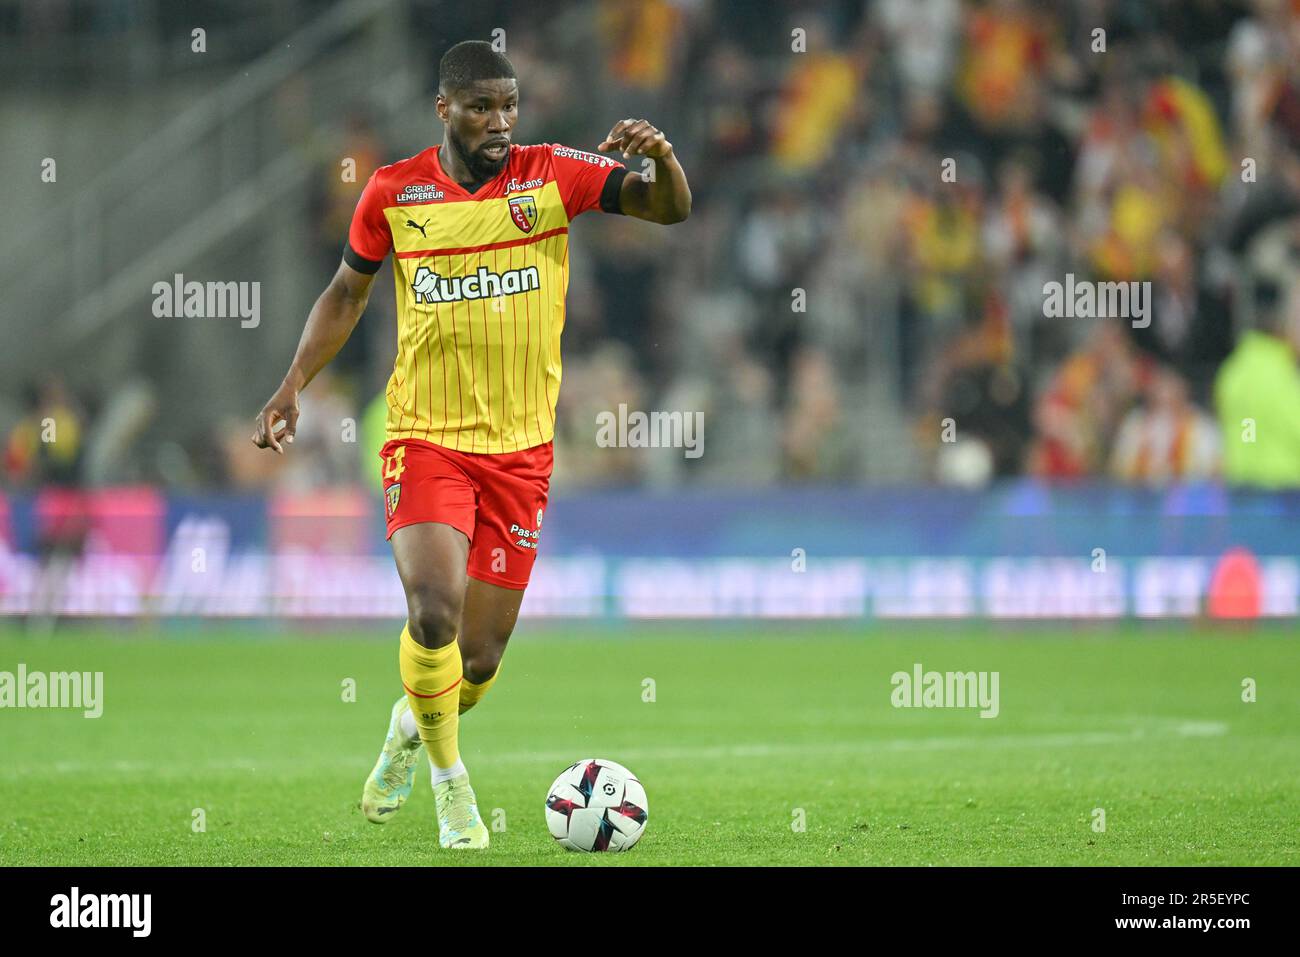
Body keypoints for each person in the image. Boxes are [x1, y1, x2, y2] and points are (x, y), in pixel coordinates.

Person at [251, 40, 691, 849]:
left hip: (521, 450)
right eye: (482, 107)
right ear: (444, 109)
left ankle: (408, 728)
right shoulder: (394, 190)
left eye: (509, 106)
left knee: (478, 660)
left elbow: (668, 210)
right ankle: (454, 789)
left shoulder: (553, 173)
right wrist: (293, 384)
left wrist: (663, 160)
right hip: (425, 436)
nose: (499, 122)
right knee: (433, 610)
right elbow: (346, 292)